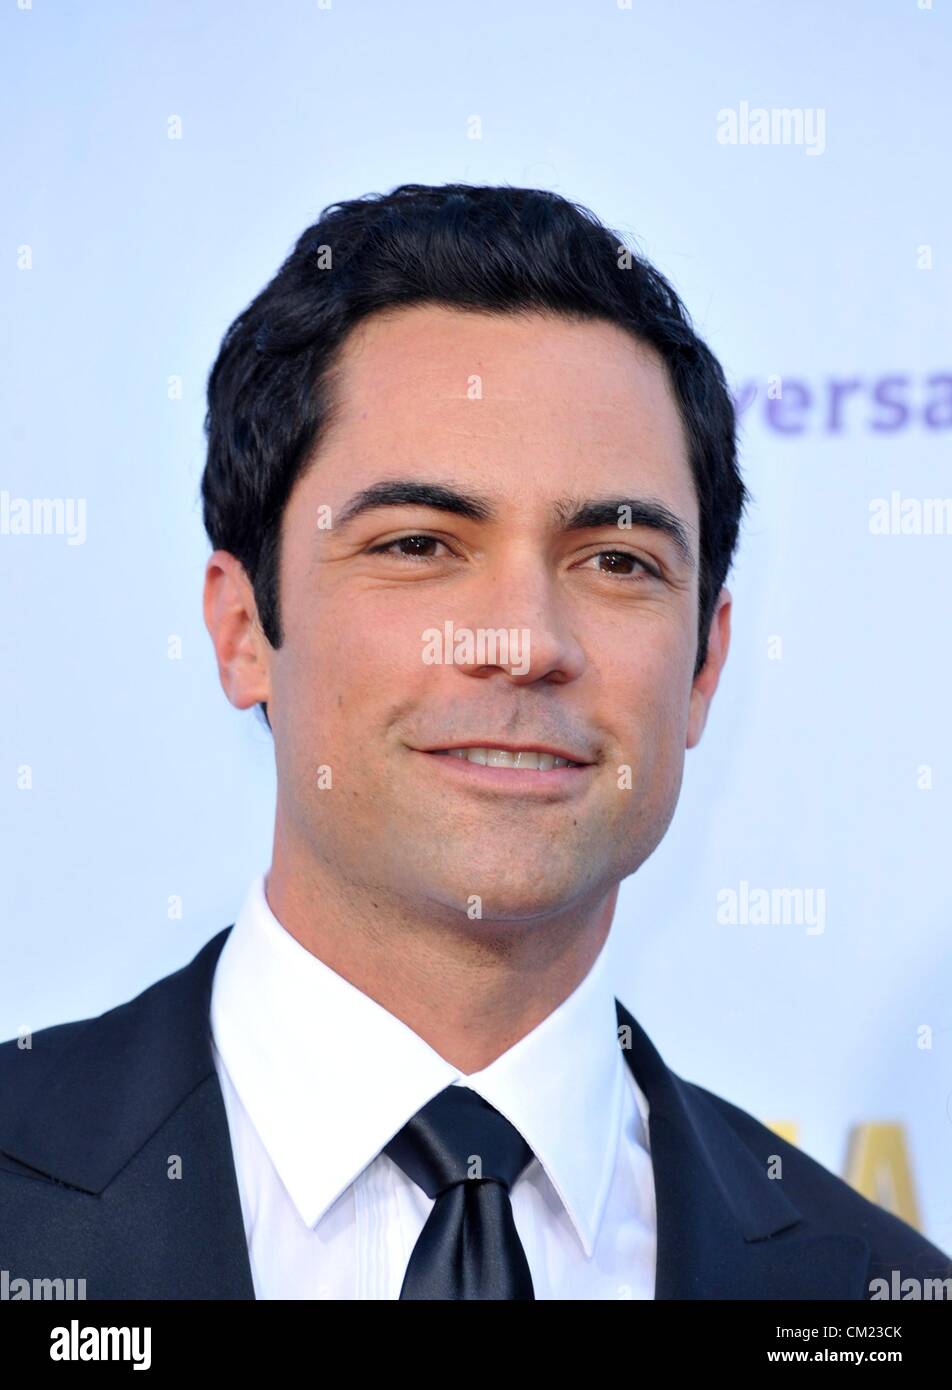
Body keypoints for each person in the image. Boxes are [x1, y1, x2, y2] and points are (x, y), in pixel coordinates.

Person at [2, 184, 949, 1301]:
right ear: (244, 628)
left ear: (703, 667)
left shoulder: (870, 1294)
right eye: (418, 545)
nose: (522, 642)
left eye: (617, 561)